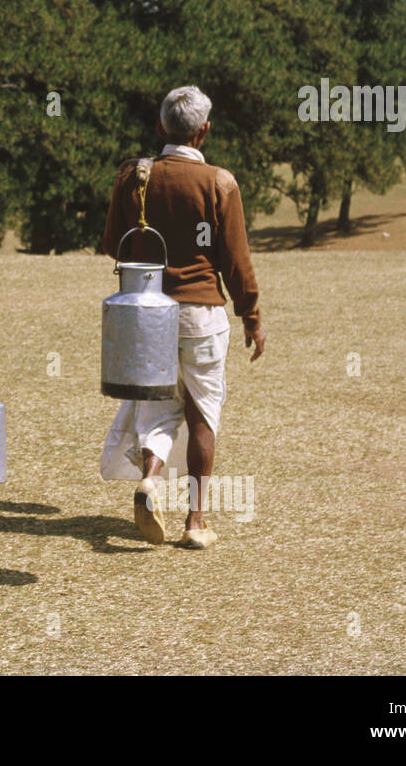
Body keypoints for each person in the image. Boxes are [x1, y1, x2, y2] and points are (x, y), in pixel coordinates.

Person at [100, 86, 265, 549]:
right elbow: (235, 261)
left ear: (160, 127)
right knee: (202, 413)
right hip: (202, 314)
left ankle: (150, 481)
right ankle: (195, 521)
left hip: (146, 314)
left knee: (157, 408)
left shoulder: (134, 175)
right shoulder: (220, 183)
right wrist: (252, 316)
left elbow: (114, 244)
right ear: (204, 130)